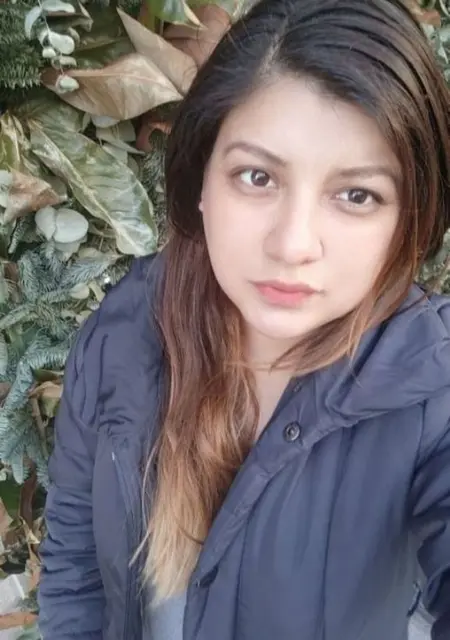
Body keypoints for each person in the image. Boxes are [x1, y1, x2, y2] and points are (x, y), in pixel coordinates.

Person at [37, 0, 450, 638]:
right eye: (257, 177)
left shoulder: (432, 390)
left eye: (356, 195)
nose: (293, 244)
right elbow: (75, 564)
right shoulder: (123, 335)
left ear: (408, 220)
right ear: (202, 179)